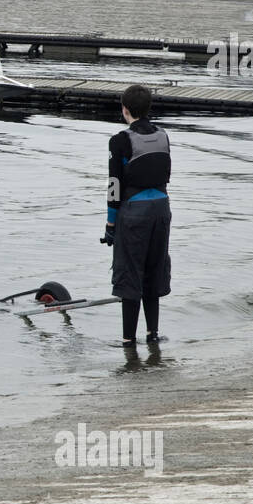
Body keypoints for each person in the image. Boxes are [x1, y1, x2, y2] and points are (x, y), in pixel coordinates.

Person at [101, 85, 171, 348]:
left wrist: (110, 224)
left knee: (129, 273)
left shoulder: (119, 140)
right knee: (154, 268)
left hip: (135, 214)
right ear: (148, 109)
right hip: (162, 209)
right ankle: (153, 334)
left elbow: (114, 185)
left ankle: (128, 339)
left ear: (125, 109)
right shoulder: (164, 135)